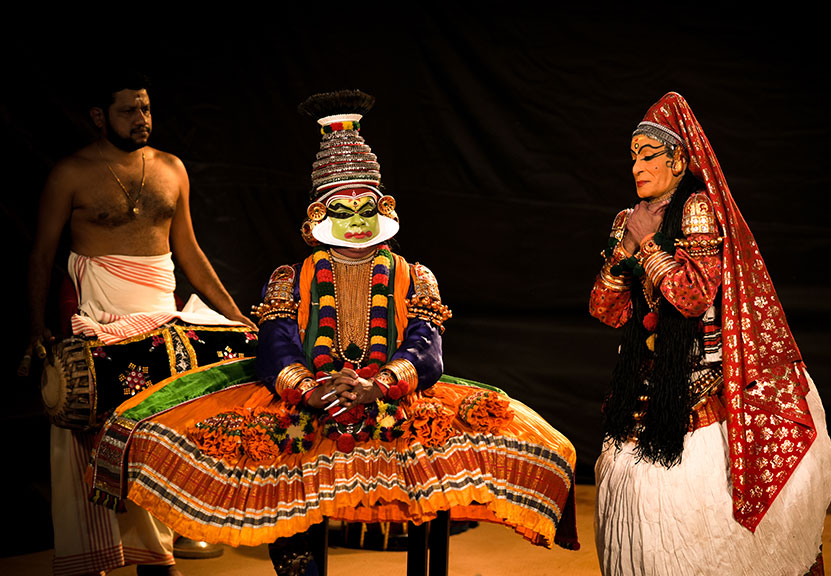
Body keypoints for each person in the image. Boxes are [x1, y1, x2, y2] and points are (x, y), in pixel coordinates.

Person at [85, 90, 578, 576]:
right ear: (316, 217)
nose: (358, 222)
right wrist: (310, 388)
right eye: (342, 211)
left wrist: (377, 384)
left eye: (367, 208)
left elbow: (427, 350)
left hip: (392, 398)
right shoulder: (289, 278)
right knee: (275, 486)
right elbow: (275, 348)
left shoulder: (415, 275)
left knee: (527, 444)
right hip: (307, 402)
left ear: (386, 209)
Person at [590, 92, 831, 575]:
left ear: (679, 159)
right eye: (633, 157)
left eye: (648, 155)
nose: (637, 166)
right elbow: (606, 310)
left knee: (700, 522)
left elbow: (693, 296)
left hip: (700, 383)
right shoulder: (627, 220)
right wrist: (623, 253)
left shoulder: (697, 210)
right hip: (646, 383)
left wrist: (645, 250)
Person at [26, 73, 254, 576]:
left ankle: (158, 558)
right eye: (129, 110)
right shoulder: (71, 173)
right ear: (99, 117)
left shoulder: (172, 168)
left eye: (146, 108)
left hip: (160, 319)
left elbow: (189, 251)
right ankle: (94, 560)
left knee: (157, 438)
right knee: (90, 435)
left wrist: (232, 313)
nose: (142, 119)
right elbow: (43, 253)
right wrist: (35, 325)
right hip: (98, 318)